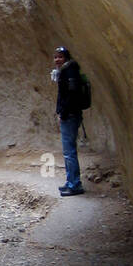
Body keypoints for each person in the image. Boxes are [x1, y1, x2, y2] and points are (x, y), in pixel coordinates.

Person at [52, 45, 85, 197]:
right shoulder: (66, 71)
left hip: (70, 115)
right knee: (68, 152)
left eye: (60, 57)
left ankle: (74, 184)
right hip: (70, 114)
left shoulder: (69, 71)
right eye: (56, 57)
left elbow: (71, 95)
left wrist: (63, 113)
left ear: (66, 58)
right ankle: (70, 182)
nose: (57, 59)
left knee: (69, 152)